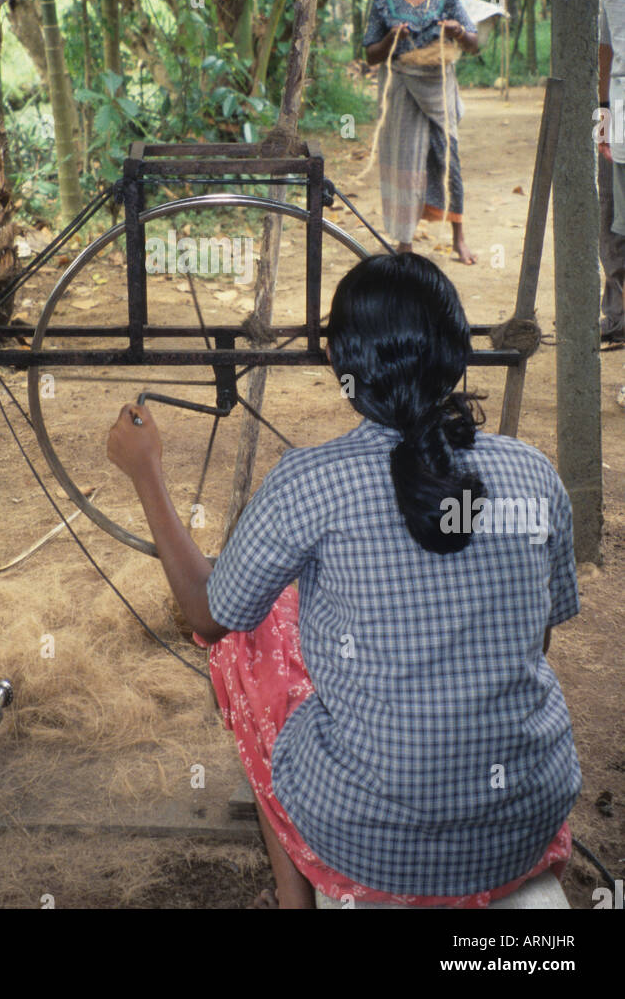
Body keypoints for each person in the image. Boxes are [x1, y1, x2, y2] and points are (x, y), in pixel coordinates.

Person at [107, 253, 581, 909]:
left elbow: (207, 613)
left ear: (340, 364)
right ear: (456, 352)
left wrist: (146, 473)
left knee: (246, 634)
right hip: (524, 817)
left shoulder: (310, 483)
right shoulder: (531, 474)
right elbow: (537, 639)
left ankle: (292, 895)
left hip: (372, 837)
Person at [363, 0, 479, 263]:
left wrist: (458, 31)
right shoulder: (384, 1)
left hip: (438, 86)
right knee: (405, 163)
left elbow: (472, 43)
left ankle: (459, 239)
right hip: (401, 90)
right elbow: (372, 55)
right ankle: (404, 243)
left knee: (448, 160)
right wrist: (391, 37)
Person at [597, 0, 625, 342]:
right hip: (621, 102)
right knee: (617, 224)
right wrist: (602, 110)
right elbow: (605, 41)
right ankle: (620, 319)